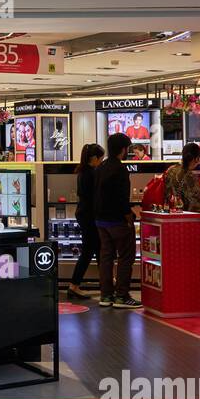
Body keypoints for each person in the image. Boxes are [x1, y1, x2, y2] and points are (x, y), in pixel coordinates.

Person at [94, 132, 141, 309]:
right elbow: (122, 199)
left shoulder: (101, 167)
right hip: (117, 221)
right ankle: (122, 296)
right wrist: (129, 217)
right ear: (123, 149)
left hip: (100, 221)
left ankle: (106, 295)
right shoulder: (120, 169)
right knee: (125, 257)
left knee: (106, 258)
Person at [69, 142, 104, 300]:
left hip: (84, 214)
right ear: (94, 158)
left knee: (96, 249)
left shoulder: (83, 171)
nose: (102, 162)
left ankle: (106, 283)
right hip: (90, 217)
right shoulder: (92, 173)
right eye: (101, 159)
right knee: (91, 251)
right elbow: (96, 197)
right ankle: (74, 286)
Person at [164, 141, 200, 213]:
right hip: (184, 217)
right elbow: (196, 204)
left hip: (169, 214)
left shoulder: (171, 170)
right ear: (196, 159)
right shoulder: (190, 177)